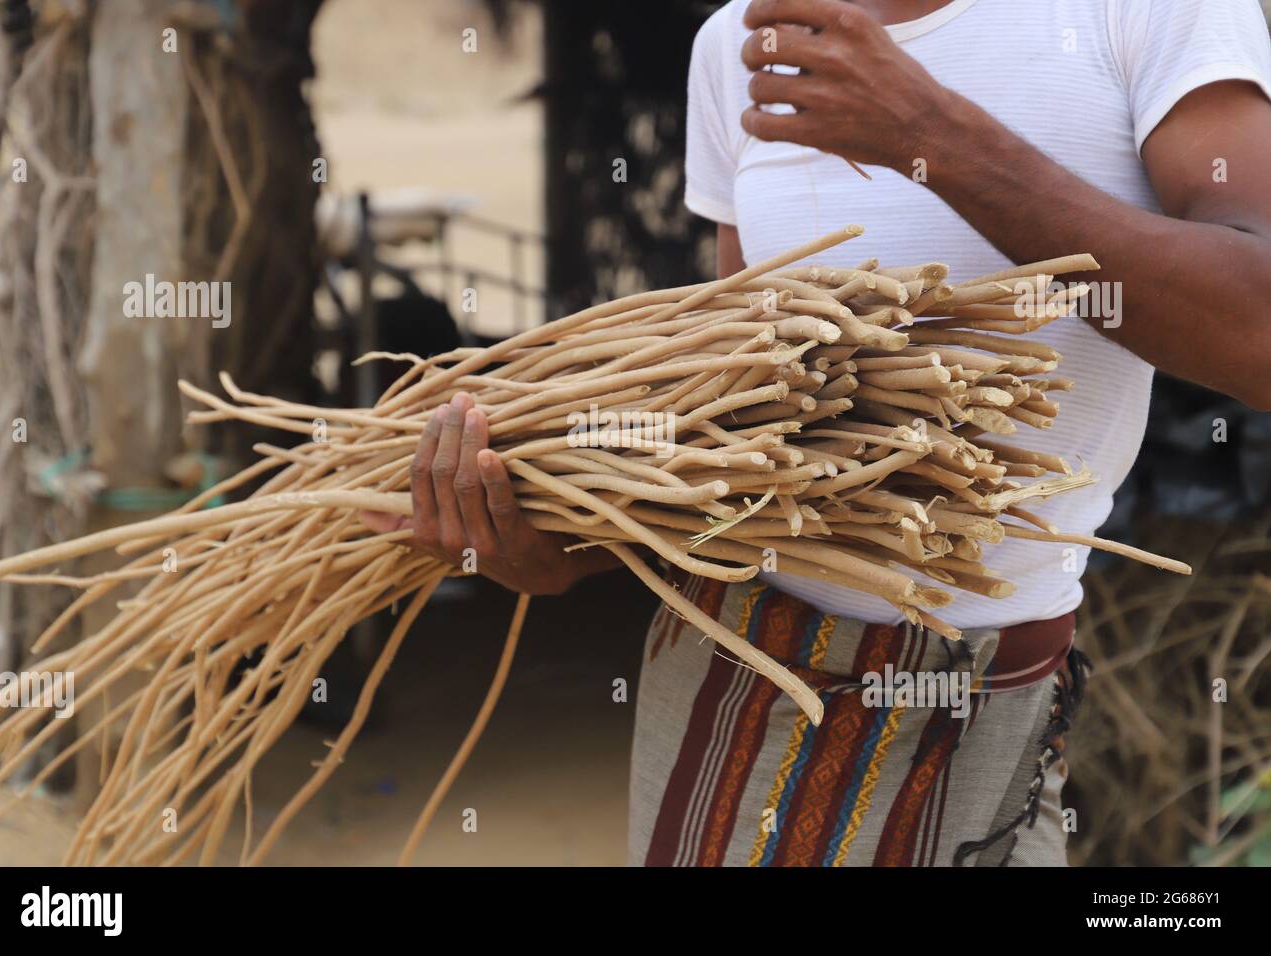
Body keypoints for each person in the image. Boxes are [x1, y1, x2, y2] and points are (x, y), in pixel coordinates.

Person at [364, 0, 1271, 866]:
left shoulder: (1147, 13)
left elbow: (1257, 328)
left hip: (988, 712)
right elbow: (746, 467)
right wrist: (580, 545)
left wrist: (932, 135)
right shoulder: (741, 43)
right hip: (730, 697)